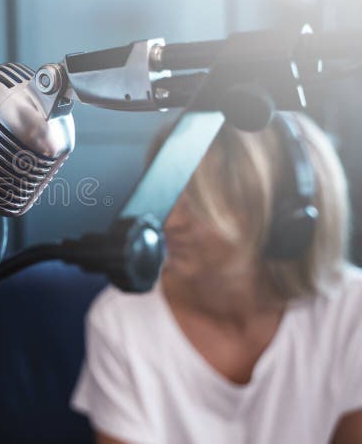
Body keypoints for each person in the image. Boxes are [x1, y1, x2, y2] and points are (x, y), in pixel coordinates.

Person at [71, 112, 362, 443]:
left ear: (285, 220)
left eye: (199, 203)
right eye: (170, 194)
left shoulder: (352, 312)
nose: (169, 222)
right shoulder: (121, 318)